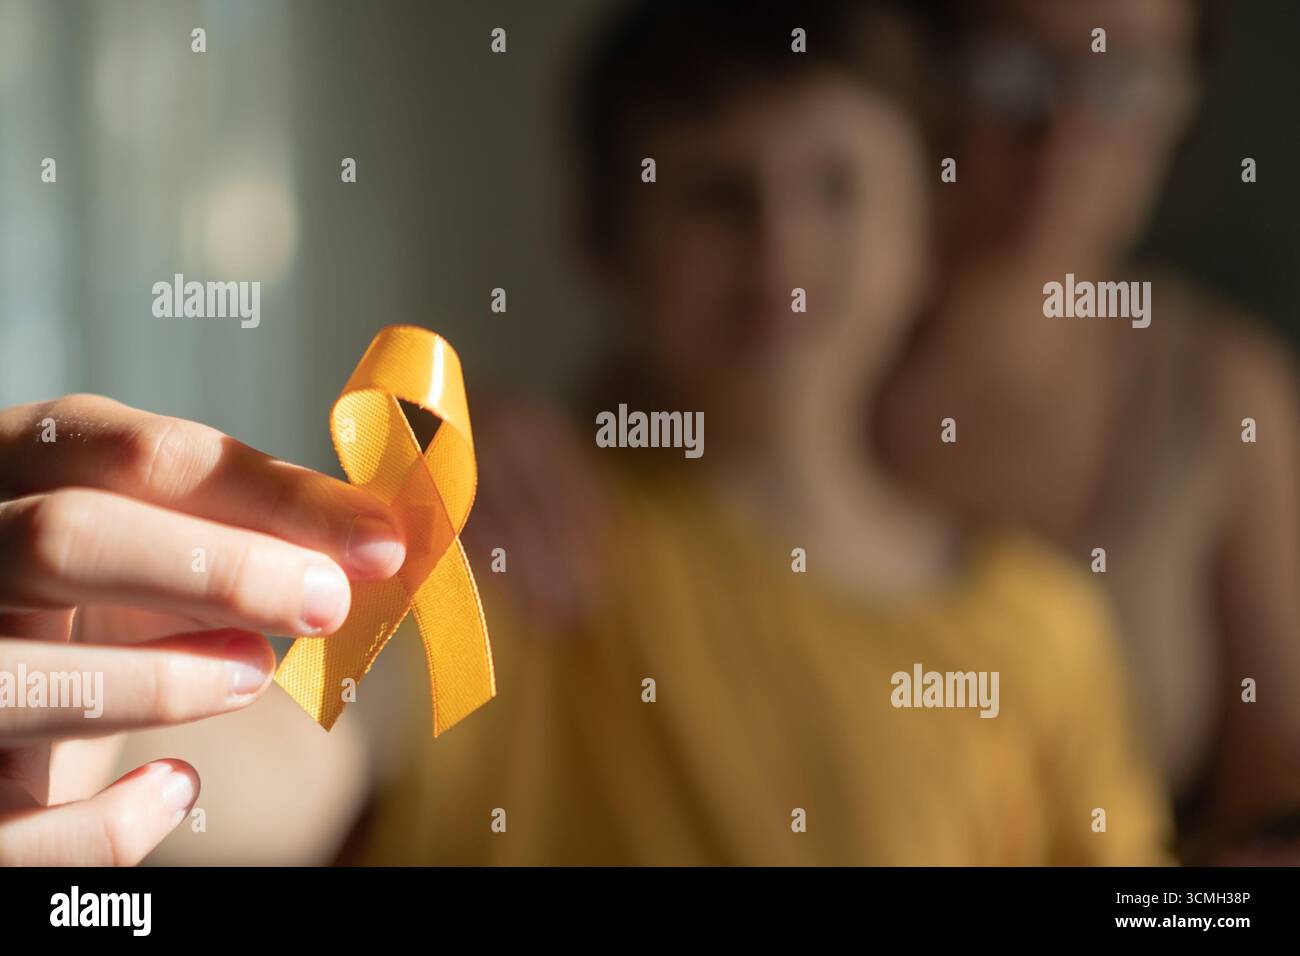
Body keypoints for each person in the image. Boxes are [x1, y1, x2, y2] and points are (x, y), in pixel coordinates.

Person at [345, 0, 1167, 865]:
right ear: (608, 239)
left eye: (836, 187)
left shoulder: (1043, 631)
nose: (781, 242)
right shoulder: (510, 542)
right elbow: (294, 740)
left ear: (923, 232)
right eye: (717, 194)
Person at [871, 0, 1300, 861]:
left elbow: (1281, 790)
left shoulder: (1218, 394)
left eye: (1125, 78)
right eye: (1015, 68)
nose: (1065, 133)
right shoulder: (774, 358)